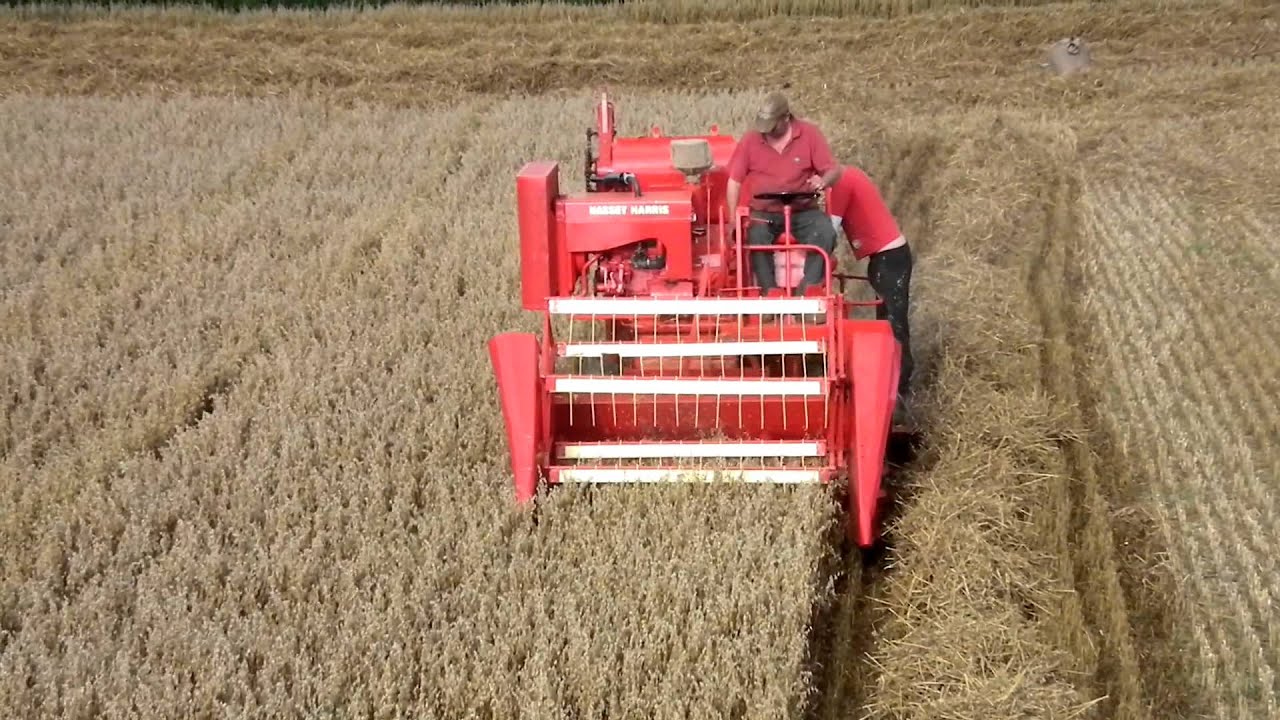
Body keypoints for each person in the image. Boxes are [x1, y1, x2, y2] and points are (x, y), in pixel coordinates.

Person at [725, 92, 842, 300]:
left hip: (803, 210)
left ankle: (809, 287)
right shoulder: (751, 140)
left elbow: (833, 170)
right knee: (755, 236)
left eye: (772, 127)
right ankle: (769, 291)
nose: (767, 133)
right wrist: (733, 219)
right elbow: (734, 181)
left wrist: (823, 182)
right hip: (764, 212)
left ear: (786, 118)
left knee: (825, 232)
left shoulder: (809, 135)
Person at [827, 165, 915, 420]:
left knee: (893, 325)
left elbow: (828, 232)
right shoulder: (848, 175)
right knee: (888, 321)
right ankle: (892, 387)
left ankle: (898, 391)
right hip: (888, 256)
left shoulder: (841, 182)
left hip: (889, 257)